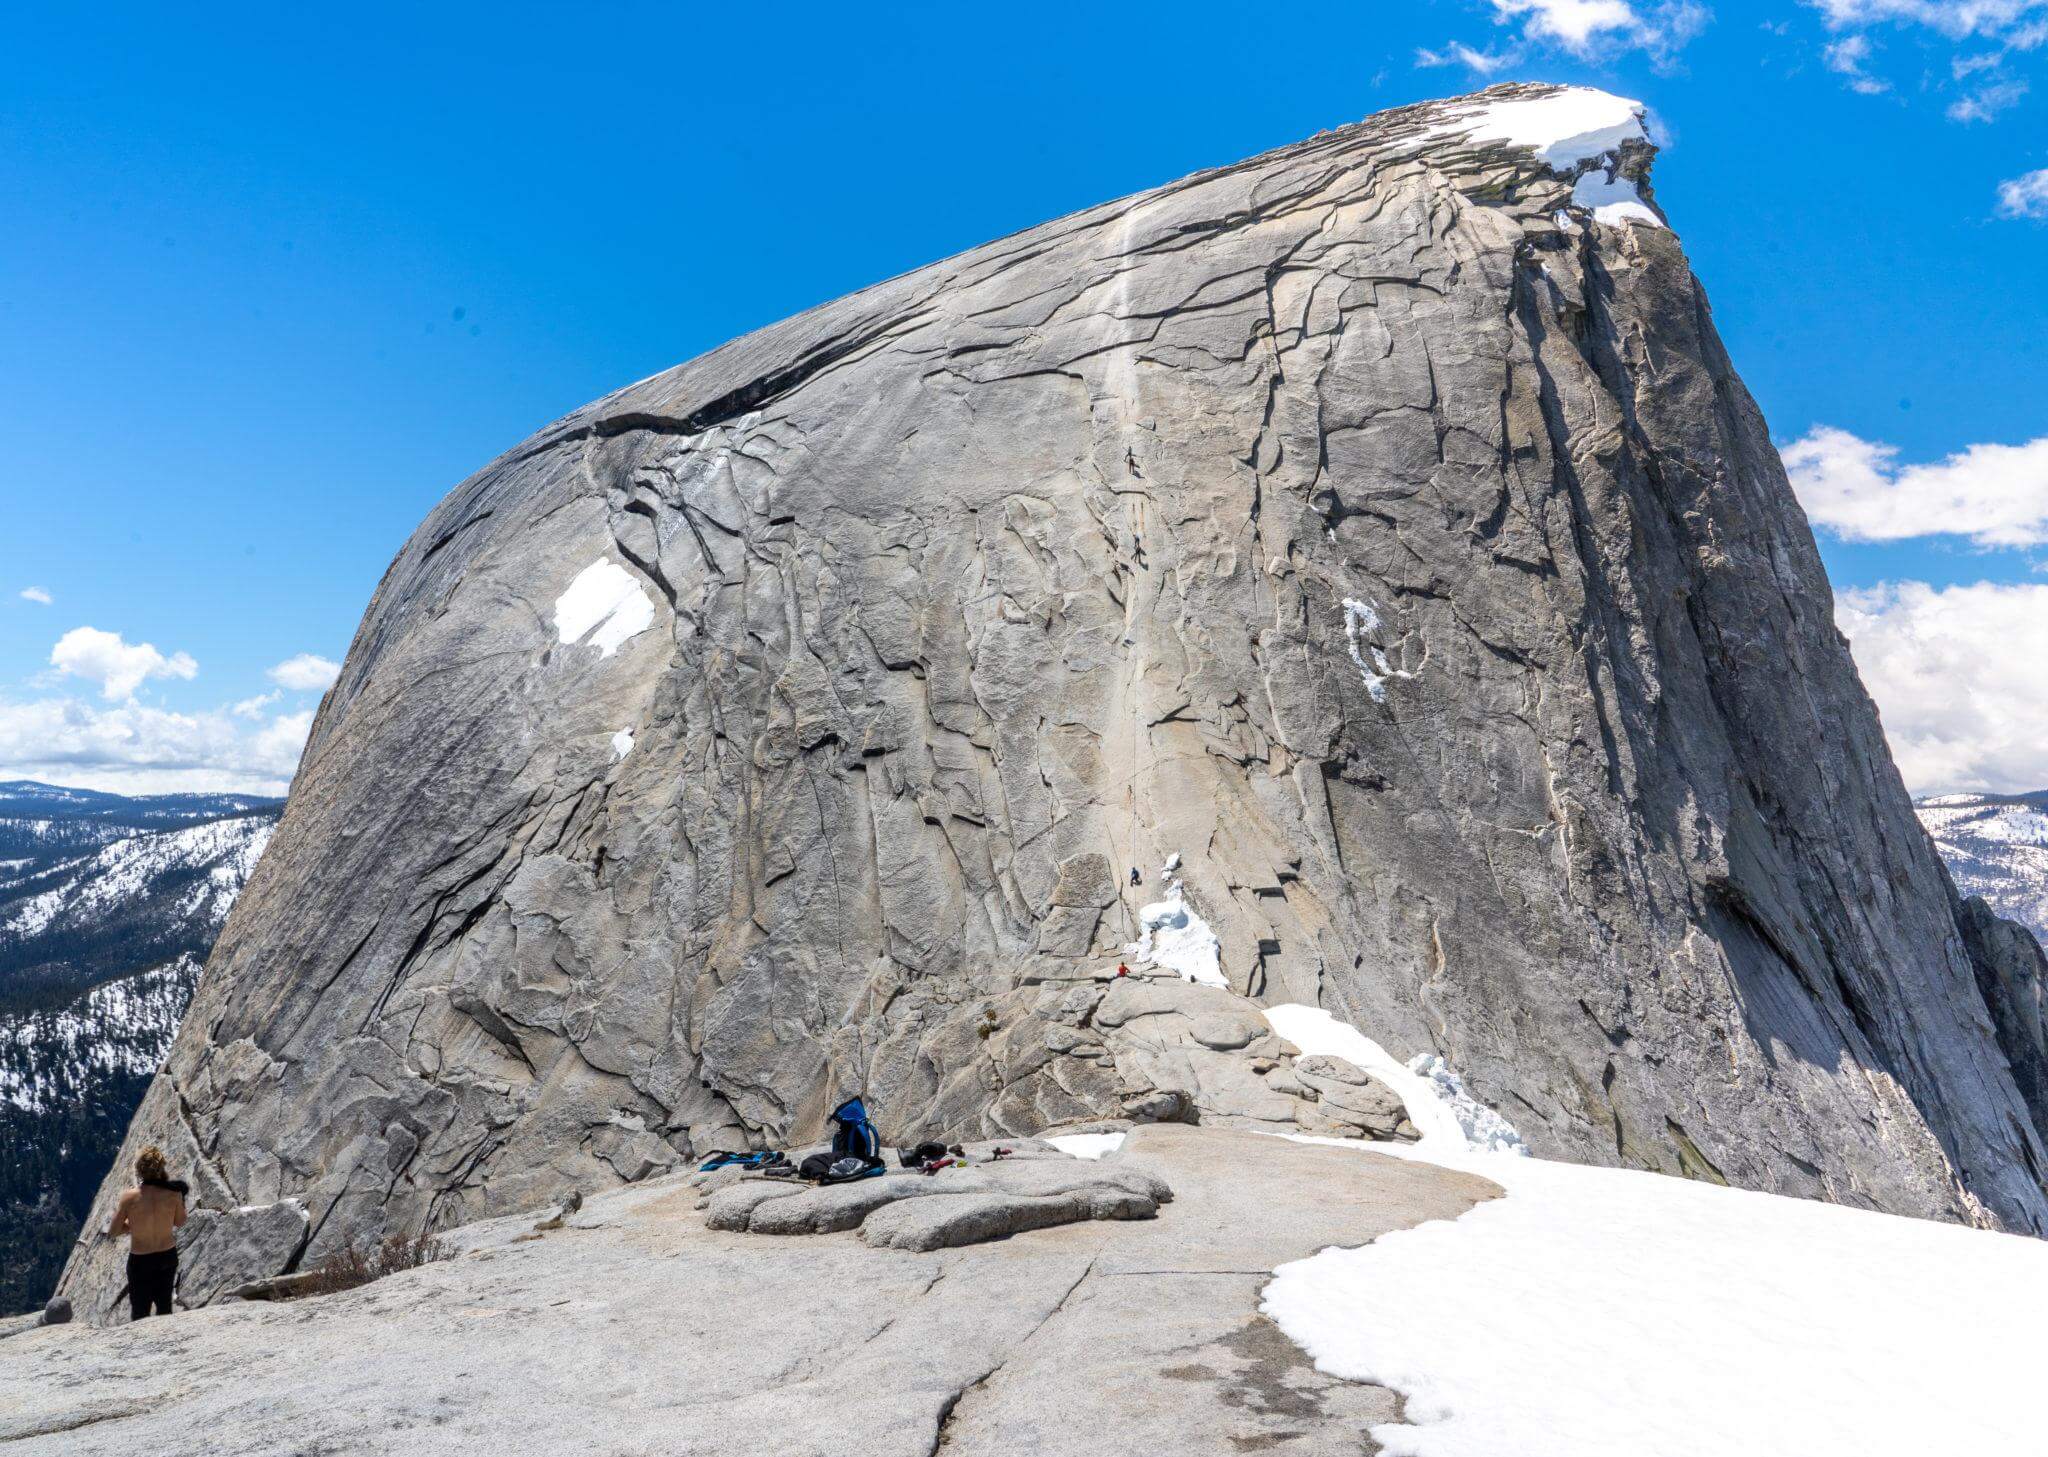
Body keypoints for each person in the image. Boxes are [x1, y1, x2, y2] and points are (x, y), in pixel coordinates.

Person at [107, 1145, 186, 1320]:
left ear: (139, 1170)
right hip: (167, 1256)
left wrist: (133, 1225)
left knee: (140, 1312)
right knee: (165, 1308)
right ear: (161, 1168)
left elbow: (113, 1231)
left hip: (141, 1260)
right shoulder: (174, 1194)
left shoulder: (130, 1197)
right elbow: (180, 1222)